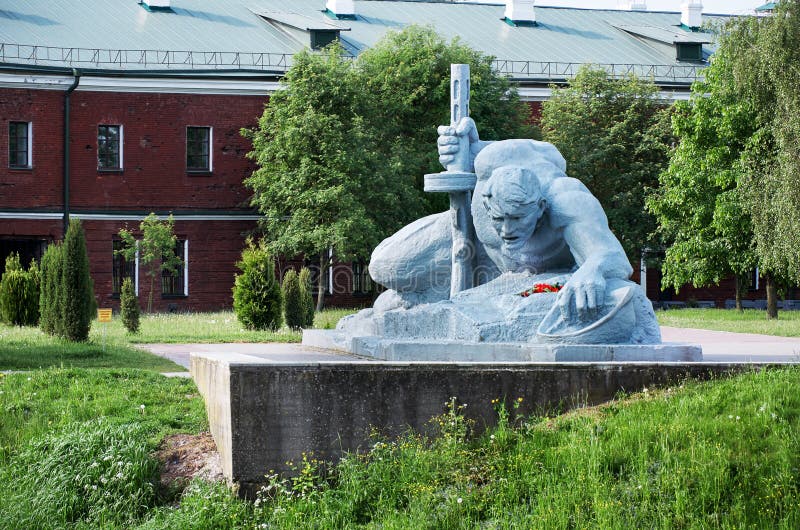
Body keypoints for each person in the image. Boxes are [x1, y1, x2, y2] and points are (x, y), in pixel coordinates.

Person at [368, 117, 632, 323]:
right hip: (476, 247)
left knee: (391, 306)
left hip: (517, 278)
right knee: (386, 267)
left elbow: (612, 256)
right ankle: (416, 302)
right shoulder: (488, 162)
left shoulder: (566, 199)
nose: (507, 230)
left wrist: (592, 270)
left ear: (540, 208)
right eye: (500, 219)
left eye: (518, 219)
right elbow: (468, 151)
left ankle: (417, 304)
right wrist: (461, 146)